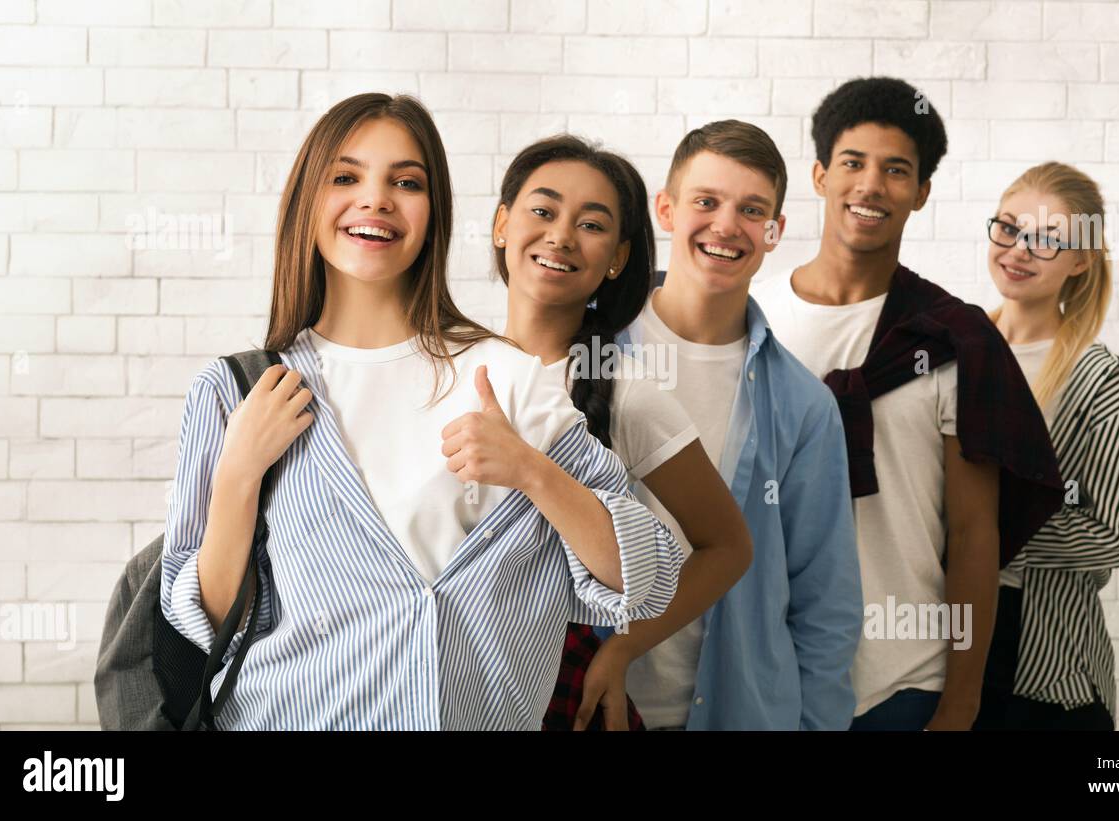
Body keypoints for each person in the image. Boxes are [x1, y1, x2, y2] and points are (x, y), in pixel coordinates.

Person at [159, 93, 683, 730]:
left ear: (434, 214)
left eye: (405, 182)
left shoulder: (505, 377)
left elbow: (647, 576)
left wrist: (532, 472)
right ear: (307, 203)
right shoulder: (237, 390)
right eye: (346, 177)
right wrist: (237, 476)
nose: (375, 199)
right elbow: (202, 625)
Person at [752, 77, 1063, 730]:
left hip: (903, 683)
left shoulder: (953, 337)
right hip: (764, 668)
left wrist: (961, 702)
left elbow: (976, 532)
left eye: (896, 170)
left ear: (921, 193)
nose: (870, 185)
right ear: (819, 174)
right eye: (853, 163)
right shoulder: (753, 317)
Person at [491, 135, 753, 730]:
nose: (560, 235)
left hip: (561, 689)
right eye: (543, 210)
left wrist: (624, 646)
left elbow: (729, 547)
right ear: (502, 224)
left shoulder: (629, 394)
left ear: (617, 257)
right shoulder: (445, 365)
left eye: (591, 224)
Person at [615, 120, 864, 730]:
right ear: (667, 210)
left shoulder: (804, 406)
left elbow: (825, 602)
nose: (727, 226)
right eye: (706, 201)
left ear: (775, 232)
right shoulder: (588, 355)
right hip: (591, 705)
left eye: (752, 210)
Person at [973, 162, 1119, 730]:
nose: (1020, 250)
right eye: (1010, 228)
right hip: (941, 638)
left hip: (1044, 662)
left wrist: (989, 533)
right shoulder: (952, 351)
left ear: (1080, 259)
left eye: (1048, 239)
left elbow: (1117, 536)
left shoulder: (1093, 373)